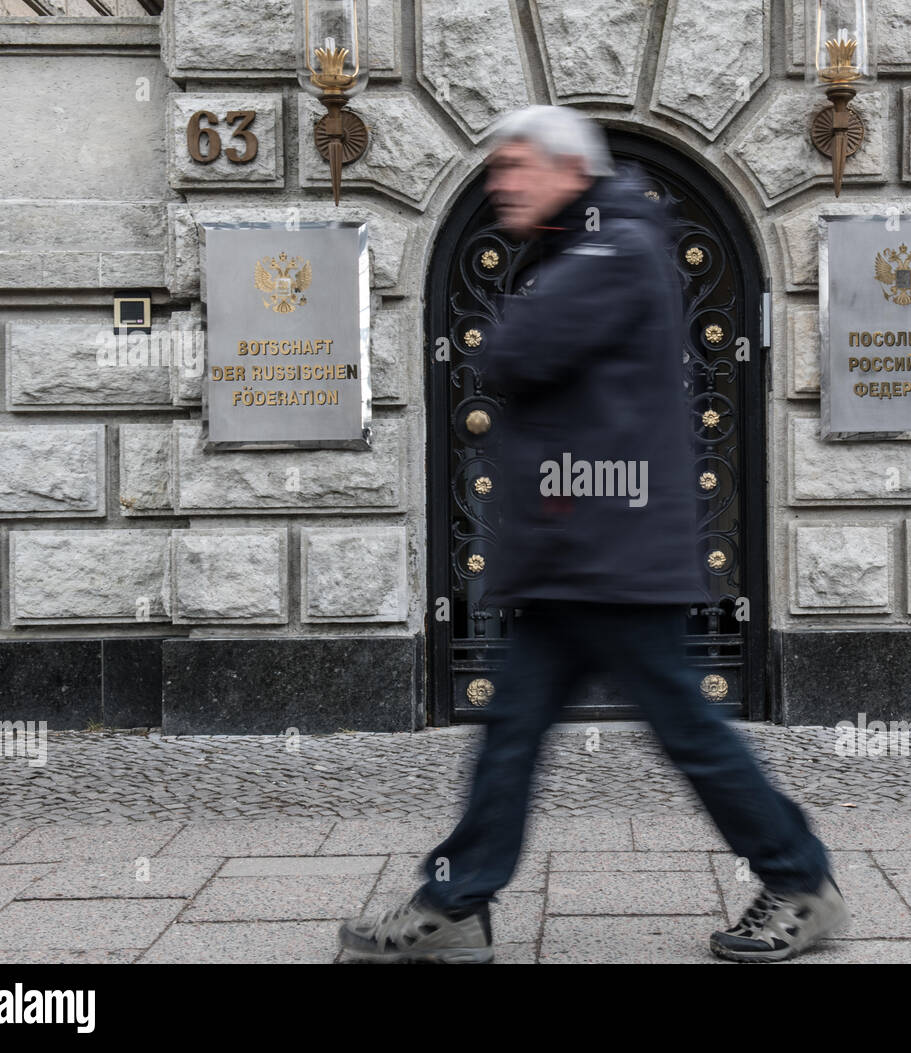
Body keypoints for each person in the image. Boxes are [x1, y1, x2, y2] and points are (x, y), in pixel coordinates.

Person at [337, 105, 847, 964]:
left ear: (571, 171)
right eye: (497, 168)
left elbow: (511, 354)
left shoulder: (615, 246)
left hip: (613, 558)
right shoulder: (585, 246)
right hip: (572, 555)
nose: (501, 182)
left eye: (517, 166)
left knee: (688, 731)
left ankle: (799, 877)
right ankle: (454, 901)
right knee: (514, 735)